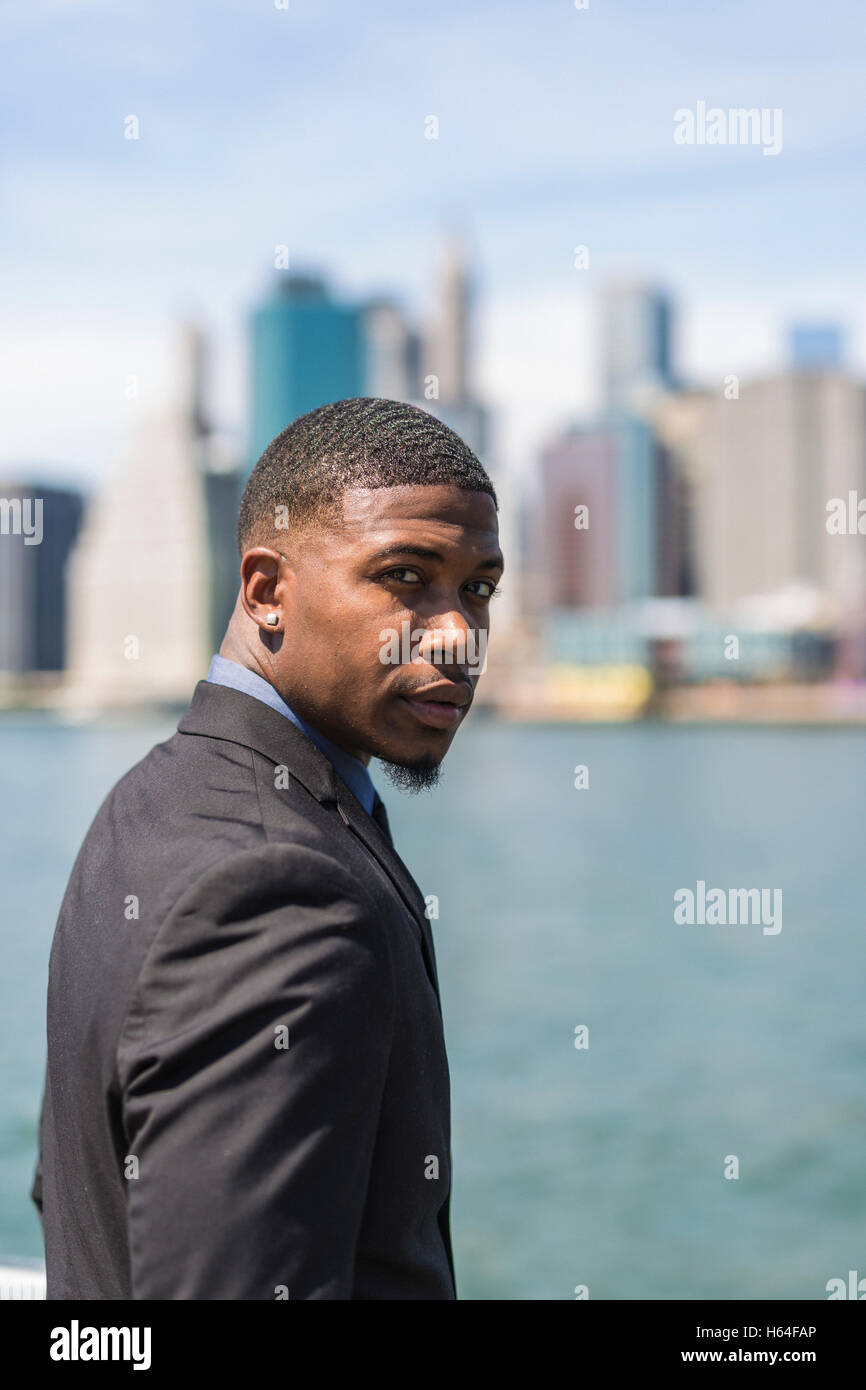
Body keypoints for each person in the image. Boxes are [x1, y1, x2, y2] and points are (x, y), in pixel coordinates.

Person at [30, 396, 503, 1299]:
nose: (458, 636)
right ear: (267, 590)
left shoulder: (151, 799)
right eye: (406, 575)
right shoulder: (281, 889)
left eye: (478, 588)